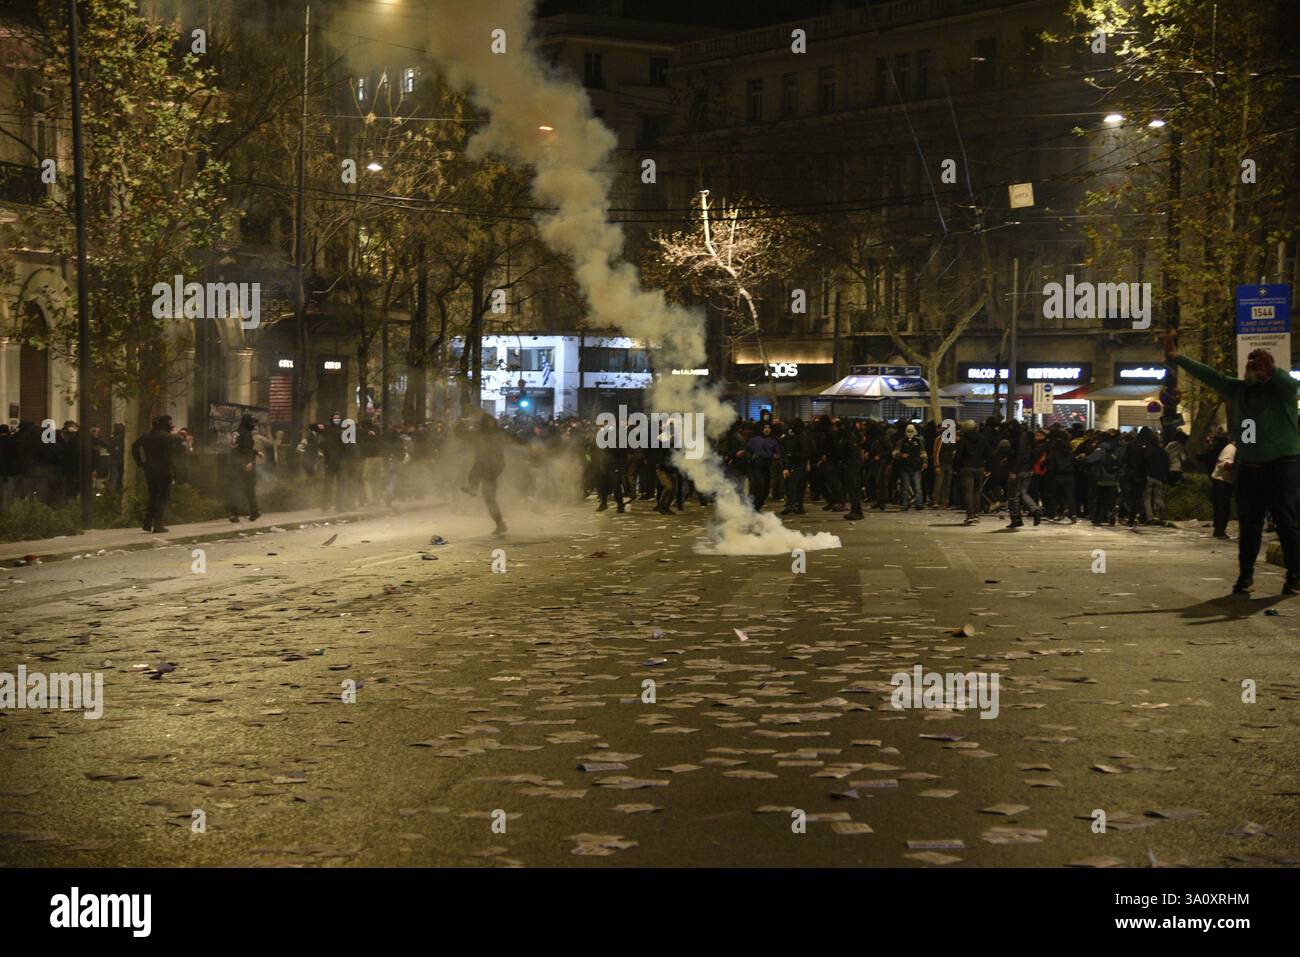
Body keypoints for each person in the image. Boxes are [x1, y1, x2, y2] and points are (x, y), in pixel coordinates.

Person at [1167, 332, 1300, 594]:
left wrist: (1271, 370)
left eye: (1258, 370)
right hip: (1251, 466)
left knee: (1286, 520)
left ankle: (1294, 575)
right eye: (1251, 370)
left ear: (1268, 371)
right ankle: (1245, 574)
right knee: (1249, 523)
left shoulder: (1280, 390)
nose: (1253, 374)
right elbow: (1208, 374)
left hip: (1282, 464)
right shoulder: (1237, 390)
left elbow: (1289, 385)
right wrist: (1177, 357)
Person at [463, 413, 511, 535]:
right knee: (489, 499)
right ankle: (500, 524)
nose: (490, 424)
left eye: (491, 422)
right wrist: (463, 422)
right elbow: (459, 433)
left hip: (493, 467)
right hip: (486, 466)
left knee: (489, 496)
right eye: (488, 422)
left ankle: (472, 487)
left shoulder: (495, 434)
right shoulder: (481, 434)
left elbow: (514, 440)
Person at [131, 414, 175, 533]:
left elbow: (134, 446)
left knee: (153, 495)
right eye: (169, 422)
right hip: (163, 469)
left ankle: (147, 521)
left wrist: (140, 462)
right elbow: (169, 456)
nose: (171, 425)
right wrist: (173, 471)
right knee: (162, 496)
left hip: (149, 468)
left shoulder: (146, 435)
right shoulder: (166, 437)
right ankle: (158, 524)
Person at [953, 420, 989, 524]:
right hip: (979, 467)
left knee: (968, 492)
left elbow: (958, 455)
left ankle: (970, 515)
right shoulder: (982, 439)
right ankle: (976, 514)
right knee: (977, 492)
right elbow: (987, 453)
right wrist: (988, 467)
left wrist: (956, 468)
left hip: (966, 468)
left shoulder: (963, 440)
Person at [228, 413, 261, 522]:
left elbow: (239, 448)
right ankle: (254, 512)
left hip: (234, 463)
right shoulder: (246, 433)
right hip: (245, 464)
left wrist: (256, 452)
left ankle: (233, 514)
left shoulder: (236, 432)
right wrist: (249, 462)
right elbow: (246, 450)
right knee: (250, 488)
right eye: (251, 423)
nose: (253, 426)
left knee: (235, 489)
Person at [1211, 440, 1236, 540]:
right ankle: (1220, 531)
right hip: (1222, 480)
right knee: (1223, 506)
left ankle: (1219, 530)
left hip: (1225, 480)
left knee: (1222, 506)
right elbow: (1225, 464)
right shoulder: (1231, 449)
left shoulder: (1232, 448)